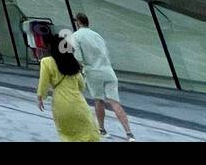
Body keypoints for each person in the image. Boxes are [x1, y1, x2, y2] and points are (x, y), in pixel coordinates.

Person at [70, 13, 136, 141]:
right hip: (108, 71)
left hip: (93, 71)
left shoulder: (76, 36)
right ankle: (129, 133)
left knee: (99, 101)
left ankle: (102, 129)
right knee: (115, 103)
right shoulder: (97, 35)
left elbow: (78, 57)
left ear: (78, 22)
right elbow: (106, 52)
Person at [36, 37, 99, 142]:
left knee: (67, 136)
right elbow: (82, 86)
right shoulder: (73, 63)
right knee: (88, 133)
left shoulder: (46, 62)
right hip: (79, 104)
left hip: (61, 104)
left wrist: (40, 97)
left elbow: (43, 82)